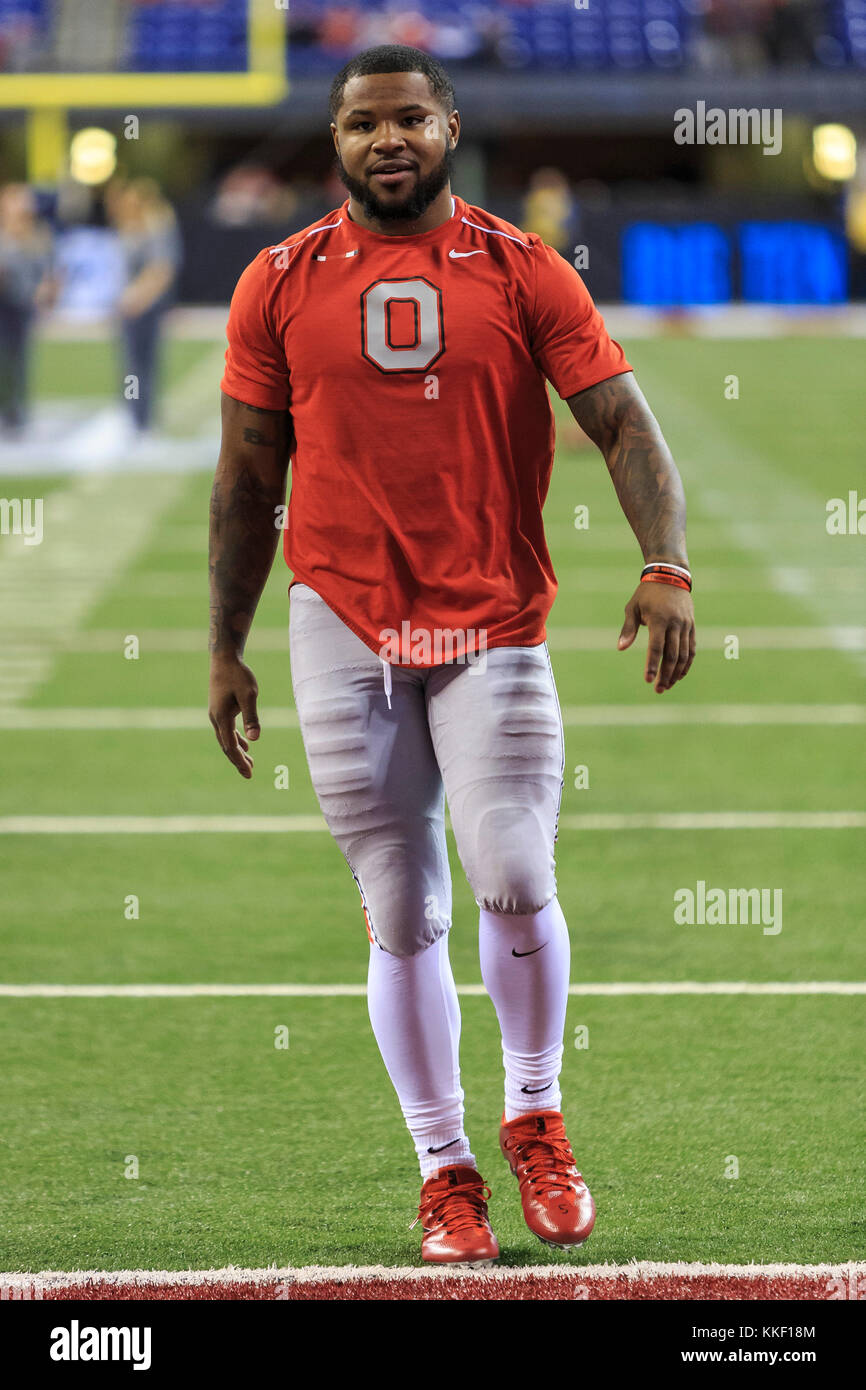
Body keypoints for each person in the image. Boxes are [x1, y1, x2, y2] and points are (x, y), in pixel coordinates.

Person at [208, 44, 696, 1266]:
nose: (388, 140)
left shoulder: (522, 268)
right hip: (343, 618)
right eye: (365, 122)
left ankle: (534, 1112)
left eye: (409, 120)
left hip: (489, 617)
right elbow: (246, 477)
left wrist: (664, 561)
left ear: (449, 128)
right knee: (400, 910)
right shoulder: (274, 280)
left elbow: (620, 419)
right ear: (335, 141)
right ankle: (445, 1170)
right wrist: (223, 646)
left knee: (515, 875)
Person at [108, 177, 181, 437]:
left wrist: (137, 298)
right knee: (131, 363)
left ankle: (143, 418)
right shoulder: (128, 228)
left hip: (145, 306)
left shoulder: (157, 228)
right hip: (130, 305)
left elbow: (161, 270)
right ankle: (135, 415)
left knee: (143, 363)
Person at [0, 184, 55, 434]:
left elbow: (47, 271)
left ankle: (17, 411)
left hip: (21, 303)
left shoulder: (37, 235)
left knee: (19, 358)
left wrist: (44, 293)